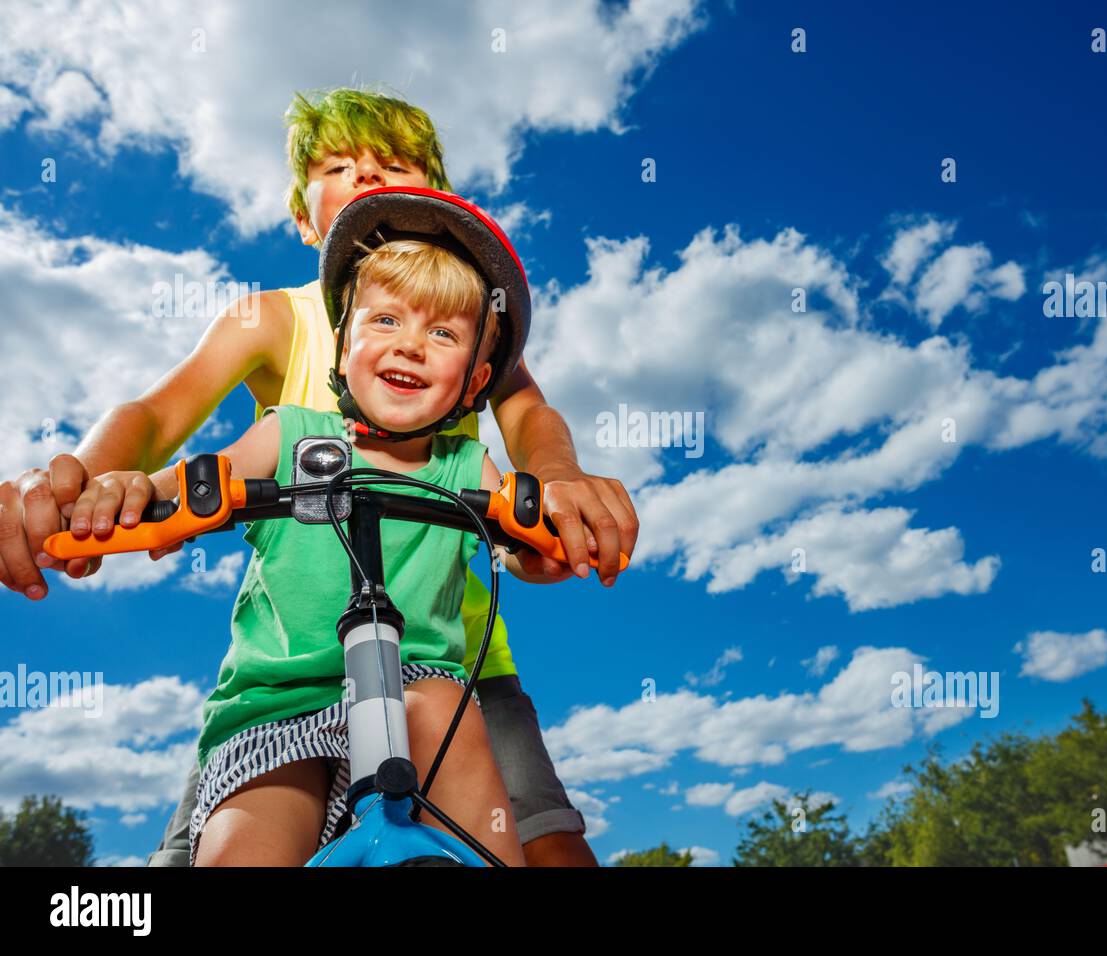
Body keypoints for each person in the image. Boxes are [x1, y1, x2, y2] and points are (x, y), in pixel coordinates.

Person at [0, 88, 637, 866]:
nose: (368, 176)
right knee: (218, 844)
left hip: (448, 653)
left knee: (545, 842)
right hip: (290, 663)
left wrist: (558, 488)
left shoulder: (475, 325)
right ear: (306, 218)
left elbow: (529, 416)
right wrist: (85, 481)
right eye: (339, 166)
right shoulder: (273, 319)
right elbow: (157, 417)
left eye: (394, 165)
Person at [67, 189, 556, 865]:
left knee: (449, 720)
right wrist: (128, 492)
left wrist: (553, 543)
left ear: (474, 383)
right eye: (385, 320)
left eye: (442, 333)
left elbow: (527, 543)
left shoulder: (468, 465)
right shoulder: (287, 436)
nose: (410, 344)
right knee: (246, 850)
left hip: (421, 692)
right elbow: (182, 490)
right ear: (343, 344)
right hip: (279, 704)